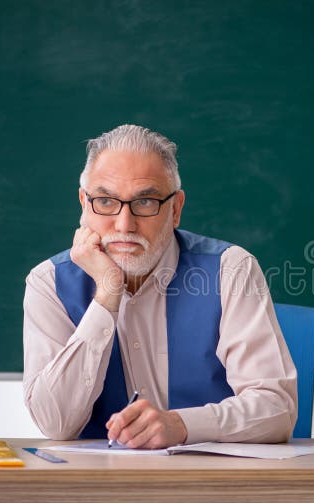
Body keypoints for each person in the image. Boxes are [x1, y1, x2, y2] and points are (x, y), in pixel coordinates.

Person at [23, 124, 297, 449]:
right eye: (106, 201)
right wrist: (107, 296)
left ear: (176, 208)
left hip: (213, 488)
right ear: (85, 204)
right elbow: (55, 425)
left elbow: (277, 410)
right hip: (98, 490)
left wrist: (181, 425)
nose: (124, 224)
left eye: (146, 202)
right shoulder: (48, 283)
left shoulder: (230, 269)